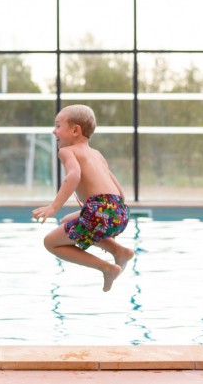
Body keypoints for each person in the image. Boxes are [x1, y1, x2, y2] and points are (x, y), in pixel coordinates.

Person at [32, 104, 134, 292]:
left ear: (75, 130)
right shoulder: (96, 154)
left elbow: (73, 176)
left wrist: (53, 207)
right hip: (120, 213)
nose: (54, 131)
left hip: (99, 212)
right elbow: (120, 191)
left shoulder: (67, 151)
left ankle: (107, 268)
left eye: (58, 126)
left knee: (50, 242)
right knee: (67, 221)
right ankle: (119, 251)